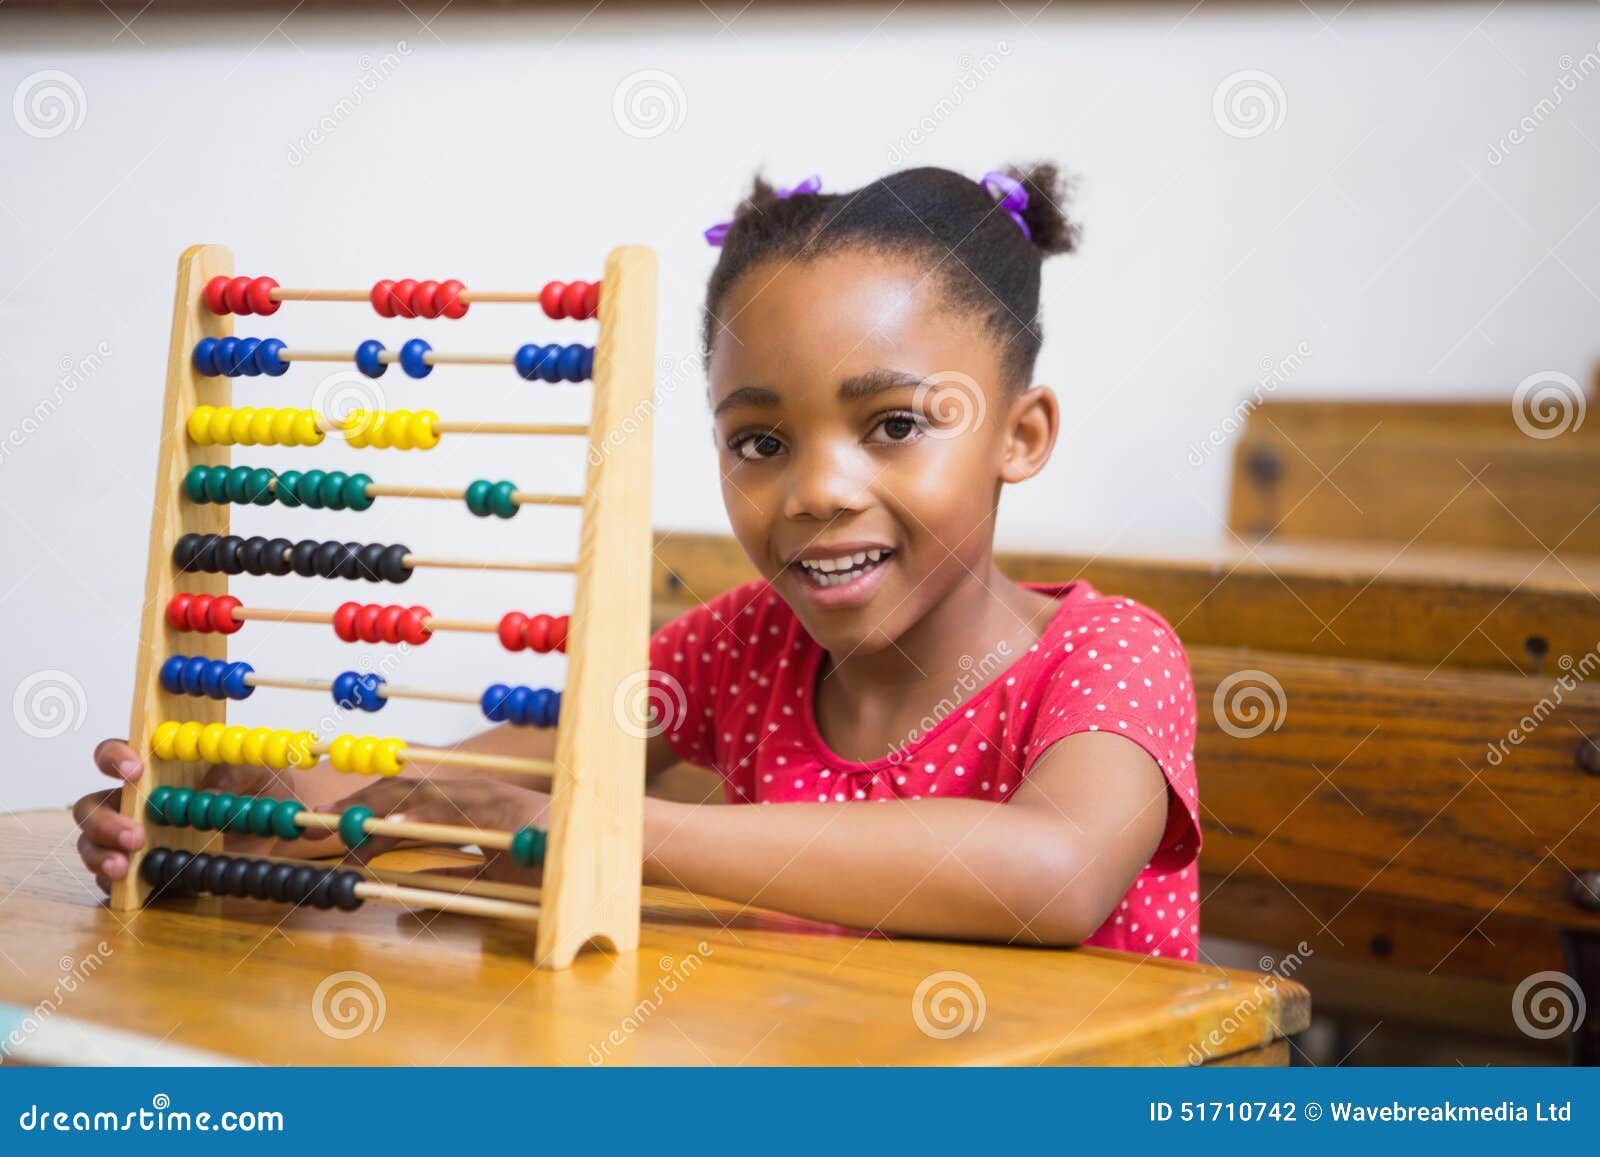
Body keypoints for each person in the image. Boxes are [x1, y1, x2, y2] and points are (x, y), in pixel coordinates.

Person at [77, 164, 1200, 955]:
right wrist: (234, 805)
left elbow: (1053, 872)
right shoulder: (734, 650)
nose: (814, 489)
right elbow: (479, 778)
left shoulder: (1107, 654)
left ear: (1023, 432)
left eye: (894, 425)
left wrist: (620, 828)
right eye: (758, 440)